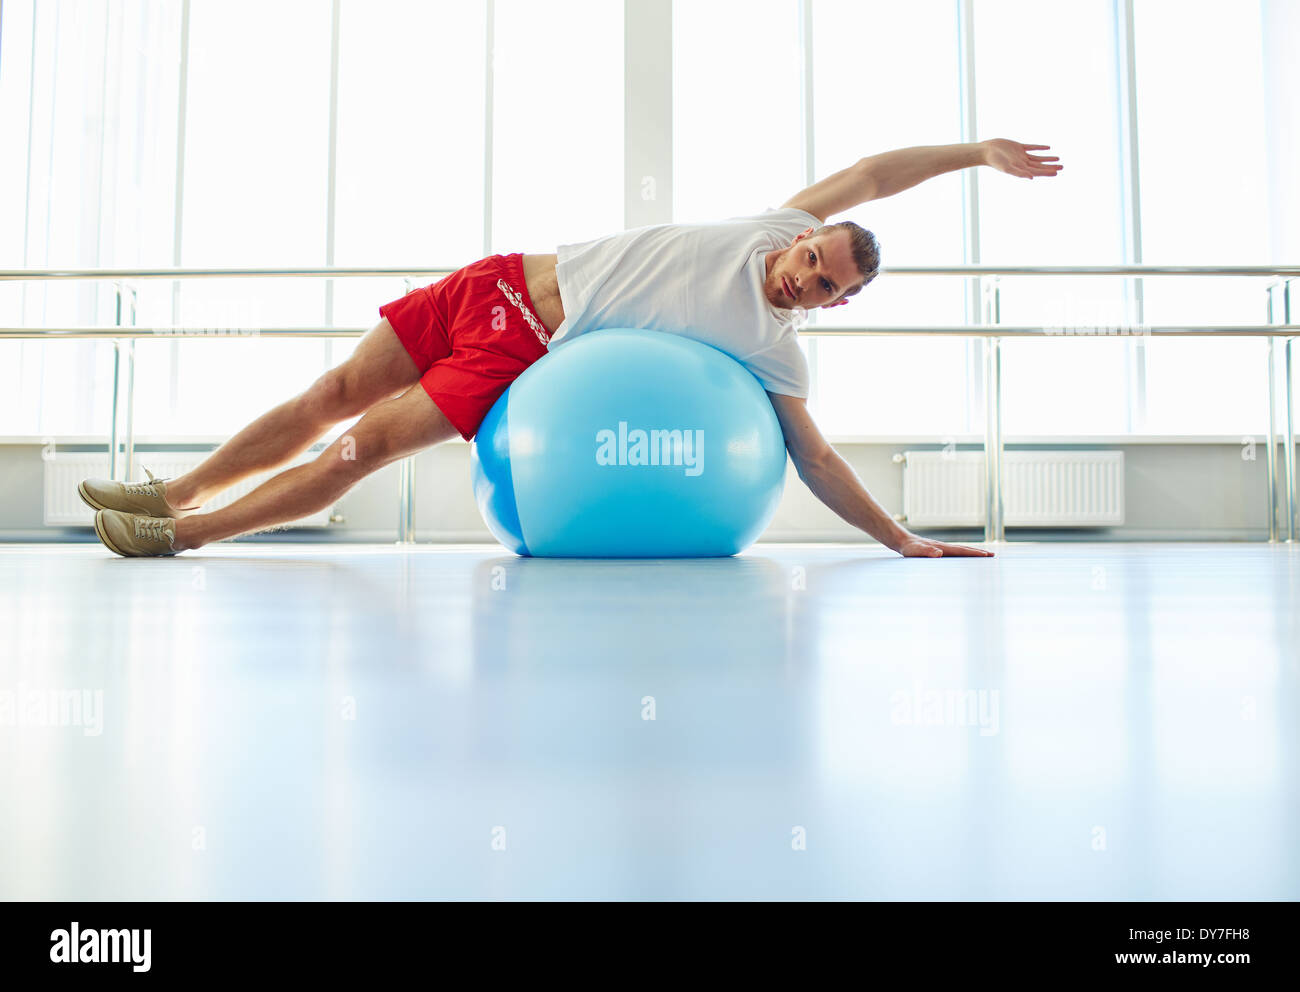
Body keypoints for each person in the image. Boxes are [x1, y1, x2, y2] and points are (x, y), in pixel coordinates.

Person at [82, 138, 1062, 558]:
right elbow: (871, 174)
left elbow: (814, 456)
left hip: (530, 339)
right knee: (332, 388)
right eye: (811, 255)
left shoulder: (773, 352)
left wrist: (897, 534)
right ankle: (173, 493)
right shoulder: (773, 221)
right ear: (803, 236)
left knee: (366, 444)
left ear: (832, 304)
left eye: (821, 284)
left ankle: (187, 537)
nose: (800, 274)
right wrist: (975, 154)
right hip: (497, 275)